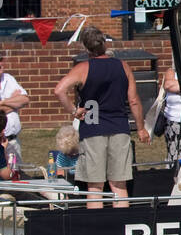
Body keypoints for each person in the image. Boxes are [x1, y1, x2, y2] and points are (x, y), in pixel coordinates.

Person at [54, 26, 150, 208]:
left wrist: (74, 111)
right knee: (119, 183)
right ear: (104, 44)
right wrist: (141, 128)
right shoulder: (123, 66)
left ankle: (96, 228)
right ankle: (122, 226)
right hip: (119, 126)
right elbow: (134, 100)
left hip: (93, 127)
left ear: (85, 47)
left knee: (95, 185)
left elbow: (59, 90)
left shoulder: (83, 68)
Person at [162, 63, 181, 173]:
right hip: (173, 121)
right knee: (173, 153)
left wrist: (180, 87)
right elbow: (168, 85)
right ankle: (172, 178)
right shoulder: (171, 71)